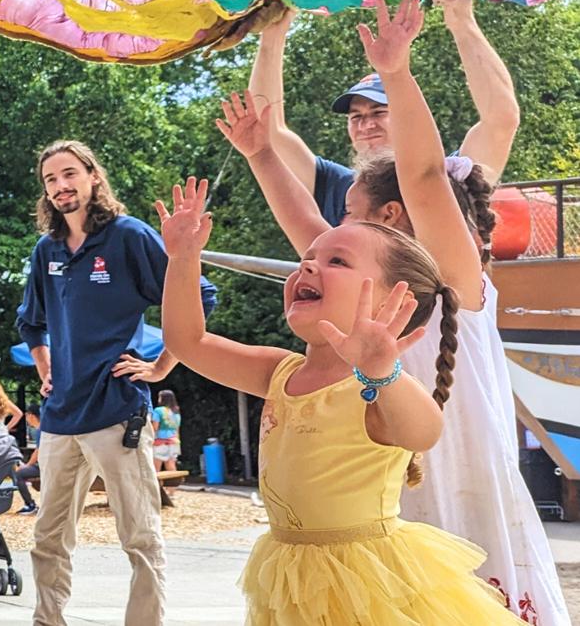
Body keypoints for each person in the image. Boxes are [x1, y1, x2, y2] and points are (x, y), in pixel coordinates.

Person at [222, 0, 569, 624]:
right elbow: (302, 217)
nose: (334, 233)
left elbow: (426, 175)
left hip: (460, 483)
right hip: (379, 496)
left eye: (350, 215)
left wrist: (397, 72)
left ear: (390, 216)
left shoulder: (455, 281)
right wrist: (261, 154)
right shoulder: (357, 278)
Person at [161, 176, 521, 625]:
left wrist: (382, 372)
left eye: (336, 261)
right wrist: (183, 258)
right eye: (306, 258)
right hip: (292, 575)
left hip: (370, 583)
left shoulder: (375, 385)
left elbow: (424, 431)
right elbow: (188, 341)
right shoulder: (281, 372)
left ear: (391, 301)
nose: (306, 267)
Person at [16, 140, 218, 626]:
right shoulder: (47, 251)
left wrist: (162, 366)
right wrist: (47, 371)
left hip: (117, 410)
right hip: (62, 417)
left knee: (141, 538)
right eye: (51, 179)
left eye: (69, 174)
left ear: (92, 177)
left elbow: (198, 295)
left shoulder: (128, 236)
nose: (61, 186)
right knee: (48, 538)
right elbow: (29, 323)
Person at [249, 0, 520, 225]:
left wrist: (462, 21)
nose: (365, 125)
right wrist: (274, 33)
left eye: (378, 113)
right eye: (356, 117)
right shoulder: (338, 188)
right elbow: (268, 130)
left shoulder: (449, 179)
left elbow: (501, 120)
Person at [151, 390, 181, 478]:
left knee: (156, 467)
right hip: (174, 440)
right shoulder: (176, 411)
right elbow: (177, 428)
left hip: (160, 441)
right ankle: (171, 490)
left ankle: (157, 489)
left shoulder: (158, 410)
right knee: (171, 466)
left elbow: (155, 427)